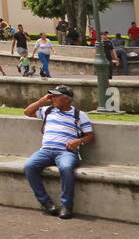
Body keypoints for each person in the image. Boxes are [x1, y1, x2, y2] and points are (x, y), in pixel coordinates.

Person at [22, 85, 94, 219]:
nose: (52, 99)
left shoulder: (79, 115)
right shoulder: (47, 110)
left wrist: (78, 141)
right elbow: (27, 112)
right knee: (29, 166)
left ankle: (66, 206)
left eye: (56, 96)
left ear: (66, 99)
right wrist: (42, 101)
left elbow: (90, 136)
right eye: (51, 96)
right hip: (45, 151)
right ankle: (46, 203)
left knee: (66, 168)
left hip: (66, 152)